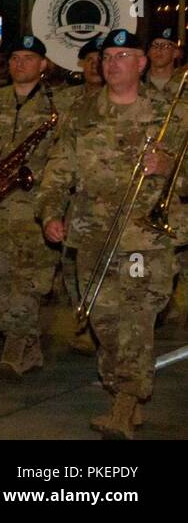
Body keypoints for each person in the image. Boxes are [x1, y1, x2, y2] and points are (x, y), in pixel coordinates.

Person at [36, 29, 177, 439]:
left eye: (122, 55)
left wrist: (169, 169)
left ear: (142, 63)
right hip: (92, 234)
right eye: (107, 57)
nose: (112, 64)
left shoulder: (171, 115)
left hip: (146, 239)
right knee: (102, 320)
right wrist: (49, 212)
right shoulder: (82, 113)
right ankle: (122, 390)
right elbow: (59, 170)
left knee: (135, 320)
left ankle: (126, 401)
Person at [0, 36, 64, 380]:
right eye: (15, 57)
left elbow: (65, 157)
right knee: (0, 278)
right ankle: (28, 344)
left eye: (28, 58)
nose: (19, 64)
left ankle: (14, 345)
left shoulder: (57, 108)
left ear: (43, 65)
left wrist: (35, 175)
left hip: (35, 207)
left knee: (29, 281)